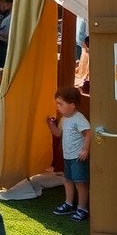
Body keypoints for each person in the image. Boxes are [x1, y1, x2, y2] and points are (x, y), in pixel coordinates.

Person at [46, 86, 91, 221]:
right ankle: (69, 203)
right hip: (68, 156)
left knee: (80, 182)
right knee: (67, 180)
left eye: (61, 104)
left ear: (72, 105)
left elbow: (88, 132)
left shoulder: (79, 118)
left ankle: (82, 208)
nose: (58, 107)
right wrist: (50, 125)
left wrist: (85, 150)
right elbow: (59, 134)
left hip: (77, 157)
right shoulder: (64, 119)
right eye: (57, 104)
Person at [0, 0, 14, 67]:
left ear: (6, 4)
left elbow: (5, 34)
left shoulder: (10, 18)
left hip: (4, 47)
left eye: (0, 3)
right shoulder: (8, 16)